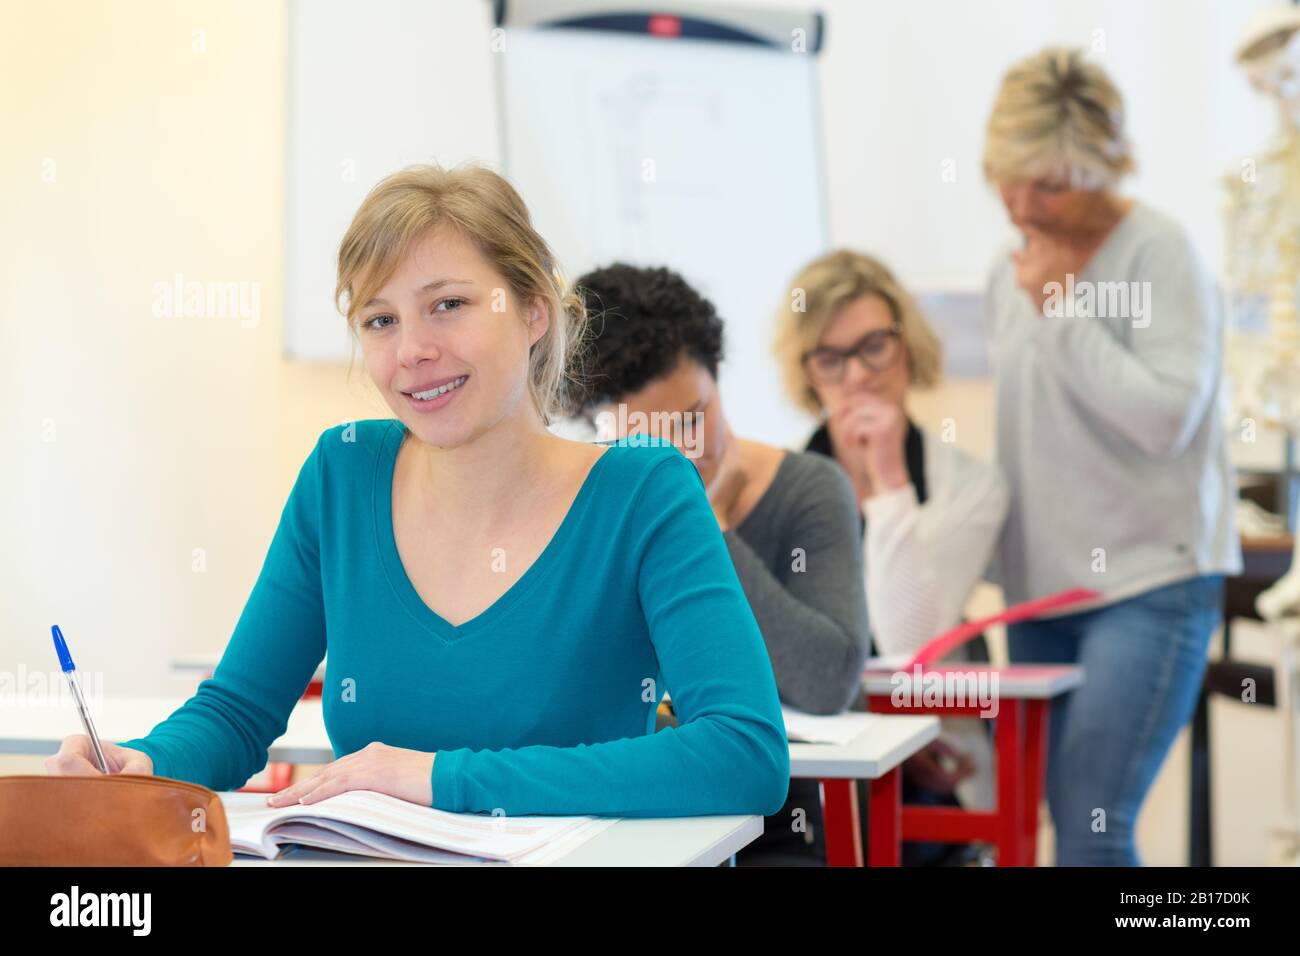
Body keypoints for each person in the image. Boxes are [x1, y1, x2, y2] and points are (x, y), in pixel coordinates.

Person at [45, 163, 790, 819]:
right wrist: (145, 764)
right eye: (380, 319)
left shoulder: (643, 492)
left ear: (534, 310)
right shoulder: (341, 474)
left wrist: (440, 778)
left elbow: (744, 752)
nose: (413, 352)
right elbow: (239, 712)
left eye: (448, 305)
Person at [982, 48, 1243, 865]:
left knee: (1095, 818)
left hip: (1150, 582)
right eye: (1008, 178)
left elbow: (1164, 417)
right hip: (1042, 592)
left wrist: (1061, 310)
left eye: (1049, 186)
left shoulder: (1161, 254)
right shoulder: (1010, 268)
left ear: (1106, 169)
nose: (1022, 204)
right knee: (1055, 812)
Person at [569, 262, 870, 864]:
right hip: (639, 804)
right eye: (646, 440)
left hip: (788, 813)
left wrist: (710, 527)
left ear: (716, 374)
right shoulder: (589, 502)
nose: (685, 452)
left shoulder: (809, 488)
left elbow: (828, 679)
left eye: (692, 418)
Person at [774, 250, 1007, 861]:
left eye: (874, 345)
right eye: (831, 358)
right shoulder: (781, 484)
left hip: (934, 760)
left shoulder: (971, 486)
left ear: (908, 347)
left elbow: (908, 647)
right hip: (810, 762)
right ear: (808, 375)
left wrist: (888, 483)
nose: (856, 376)